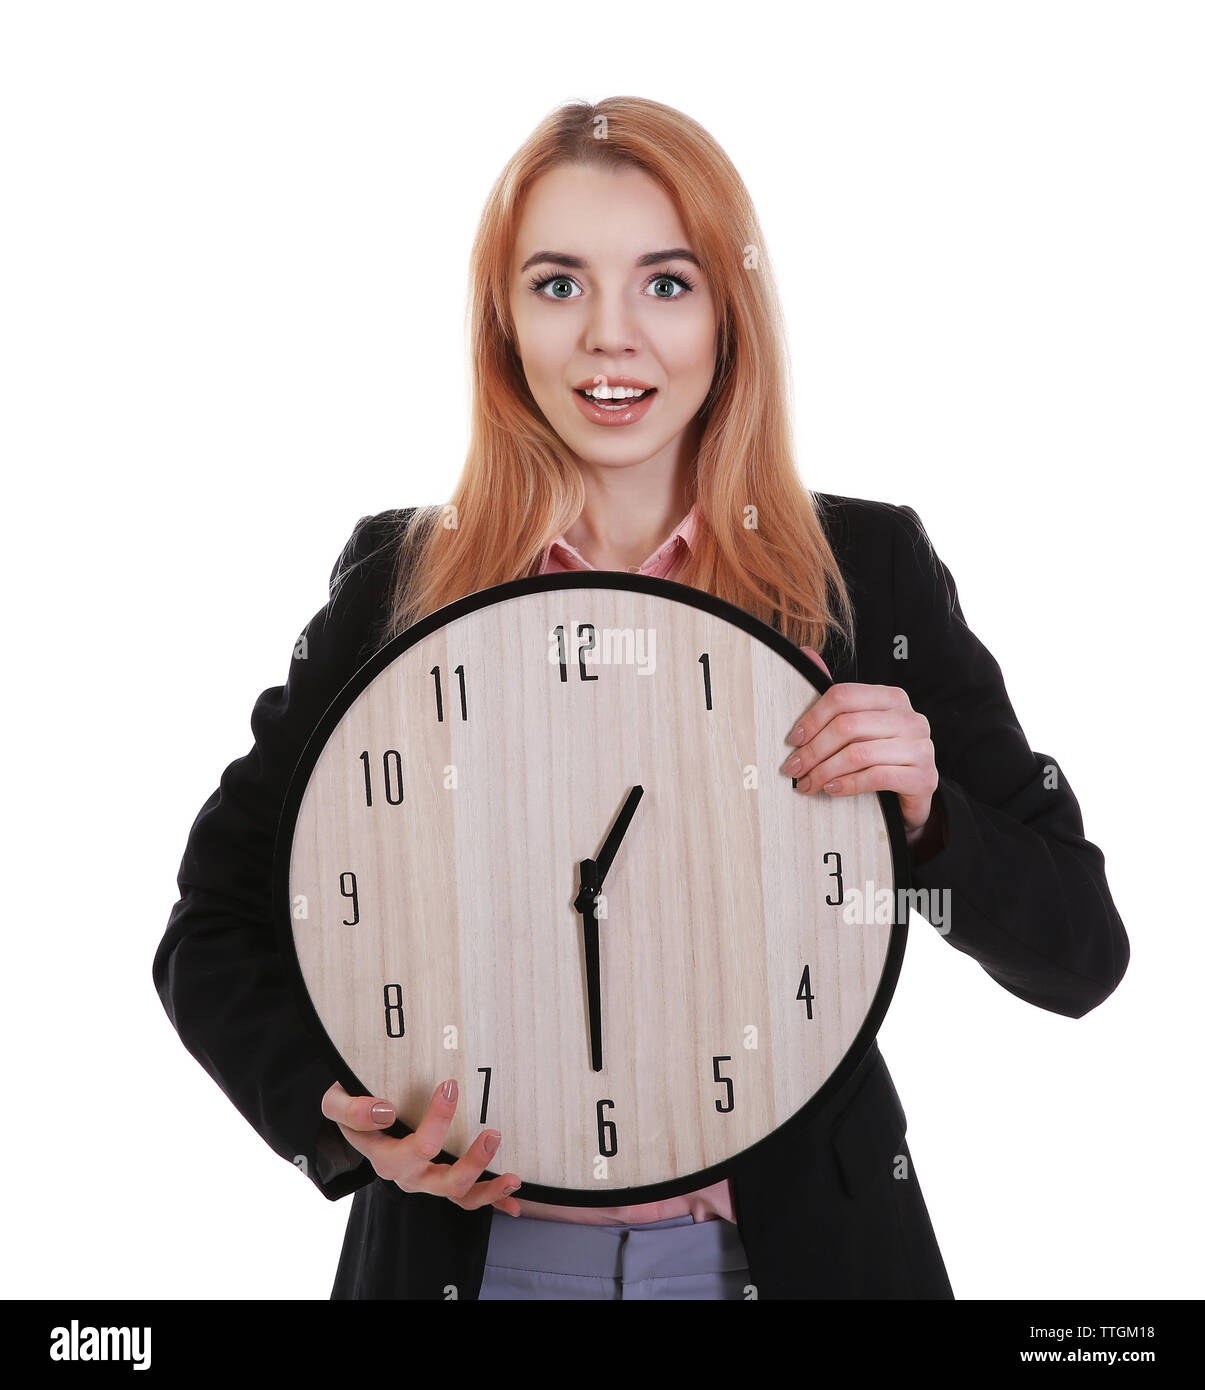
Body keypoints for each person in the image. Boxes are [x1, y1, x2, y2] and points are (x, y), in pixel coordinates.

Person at [153, 96, 1130, 1300]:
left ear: (729, 311)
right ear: (503, 322)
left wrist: (928, 823)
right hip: (474, 1259)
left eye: (665, 284)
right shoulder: (396, 579)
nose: (609, 338)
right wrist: (327, 1108)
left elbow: (1079, 955)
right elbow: (213, 926)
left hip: (787, 1265)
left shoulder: (860, 573)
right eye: (558, 285)